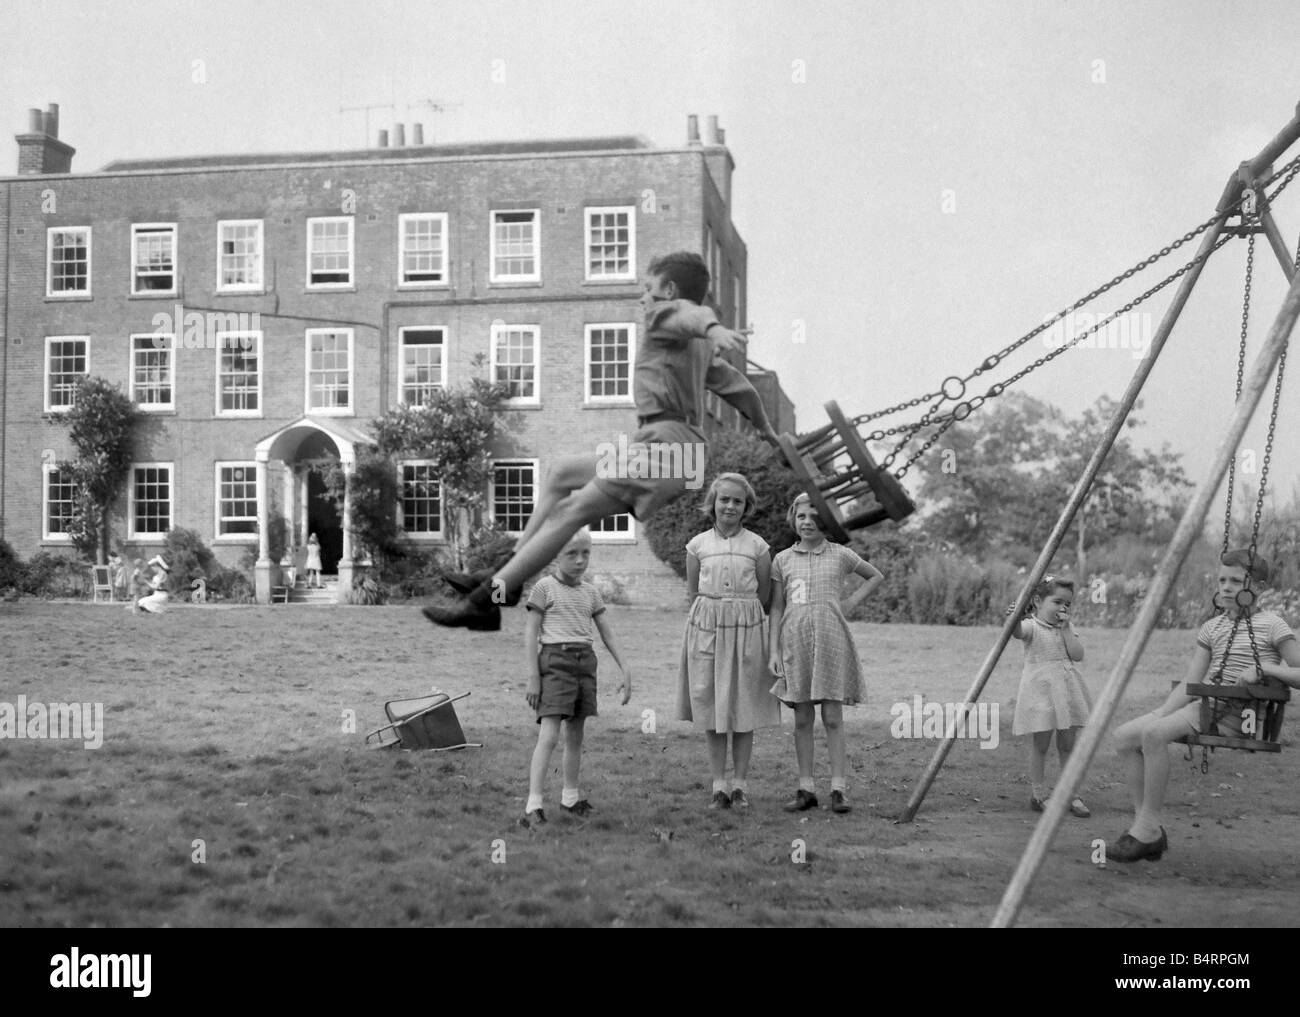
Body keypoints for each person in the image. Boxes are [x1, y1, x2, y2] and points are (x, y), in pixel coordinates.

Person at [424, 250, 780, 631]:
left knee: (570, 512)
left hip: (668, 446)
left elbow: (689, 315)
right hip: (678, 449)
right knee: (562, 474)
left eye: (648, 288)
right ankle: (503, 573)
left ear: (670, 290)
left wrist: (712, 327)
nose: (642, 297)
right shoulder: (697, 347)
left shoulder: (665, 317)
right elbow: (743, 390)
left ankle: (487, 601)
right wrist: (768, 432)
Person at [1107, 550, 1300, 862]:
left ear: (1259, 587)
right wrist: (1162, 712)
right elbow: (1190, 681)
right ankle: (1146, 827)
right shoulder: (1212, 627)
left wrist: (1267, 669)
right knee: (1124, 737)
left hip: (1242, 716)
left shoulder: (1272, 624)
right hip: (1207, 707)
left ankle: (1145, 831)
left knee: (1154, 736)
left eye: (1236, 581)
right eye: (1222, 579)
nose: (1225, 587)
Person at [768, 494, 884, 814]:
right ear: (794, 519)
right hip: (795, 642)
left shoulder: (840, 555)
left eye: (815, 517)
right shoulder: (782, 560)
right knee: (802, 718)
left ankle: (838, 789)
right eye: (802, 516)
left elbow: (875, 576)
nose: (808, 522)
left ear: (828, 522)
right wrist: (773, 649)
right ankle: (806, 788)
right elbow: (777, 606)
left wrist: (850, 604)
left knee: (833, 717)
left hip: (831, 639)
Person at [677, 472, 780, 810]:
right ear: (713, 503)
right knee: (712, 705)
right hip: (707, 626)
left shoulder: (758, 546)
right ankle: (718, 785)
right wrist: (713, 614)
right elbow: (694, 592)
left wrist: (741, 612)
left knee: (743, 707)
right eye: (724, 499)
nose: (730, 506)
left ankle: (740, 785)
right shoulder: (697, 546)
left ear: (746, 506)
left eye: (737, 501)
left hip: (747, 627)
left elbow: (764, 594)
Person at [520, 528, 631, 828]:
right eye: (572, 553)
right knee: (550, 735)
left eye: (585, 553)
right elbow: (531, 632)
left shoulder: (590, 592)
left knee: (576, 735)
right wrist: (534, 677)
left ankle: (570, 798)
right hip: (555, 663)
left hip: (585, 663)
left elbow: (606, 631)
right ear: (555, 554)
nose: (580, 560)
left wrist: (624, 667)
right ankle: (533, 805)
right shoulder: (544, 588)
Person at [1007, 575, 1093, 817]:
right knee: (1041, 744)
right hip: (1041, 692)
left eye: (1067, 604)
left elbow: (1077, 655)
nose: (1063, 608)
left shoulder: (1066, 628)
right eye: (1057, 602)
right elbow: (1017, 632)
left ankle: (1070, 794)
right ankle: (1038, 794)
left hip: (1066, 690)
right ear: (1037, 601)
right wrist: (1013, 618)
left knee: (1067, 744)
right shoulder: (1031, 626)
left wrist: (1066, 630)